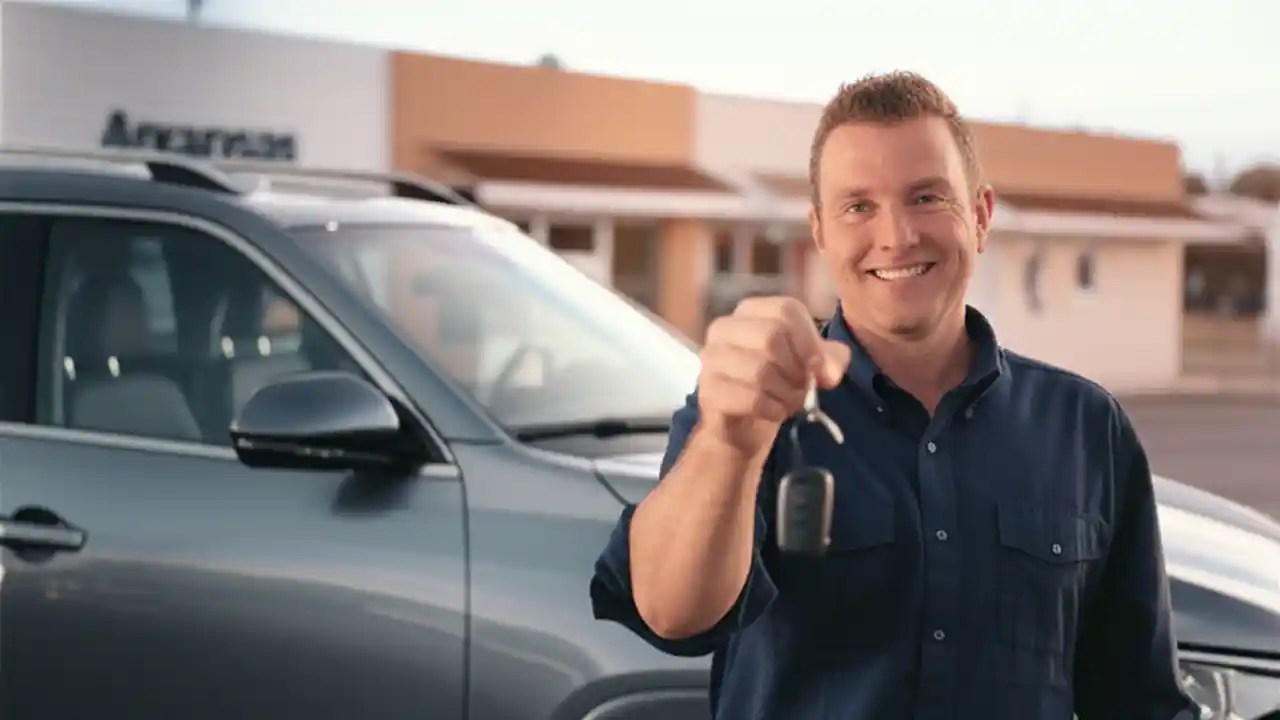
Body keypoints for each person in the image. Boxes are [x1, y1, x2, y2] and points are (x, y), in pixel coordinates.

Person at [588, 71, 1200, 719]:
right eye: (859, 207)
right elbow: (673, 613)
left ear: (981, 216)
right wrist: (730, 444)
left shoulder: (1085, 426)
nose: (897, 236)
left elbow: (1140, 703)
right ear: (820, 233)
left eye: (926, 197)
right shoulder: (748, 408)